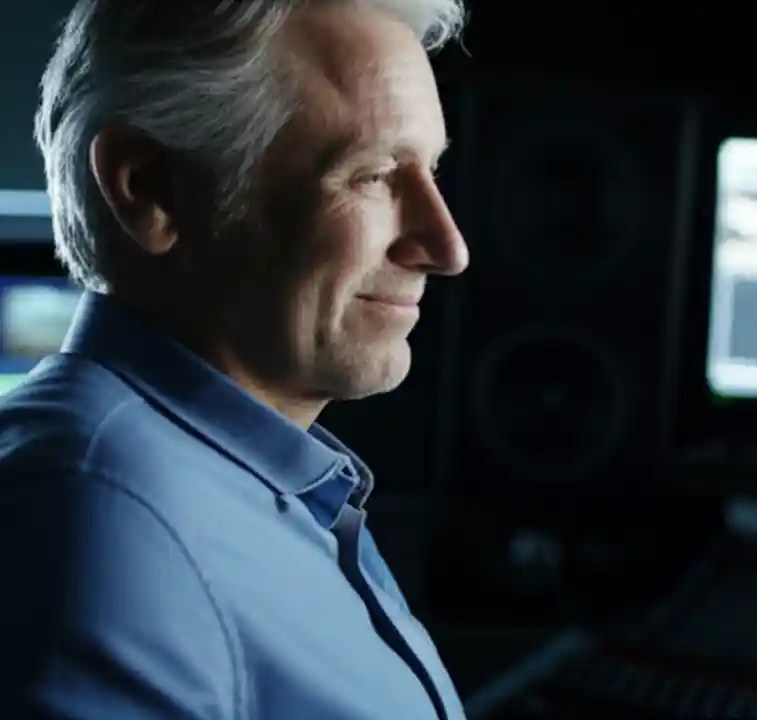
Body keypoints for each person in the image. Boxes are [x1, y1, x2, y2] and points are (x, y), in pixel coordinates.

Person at [0, 1, 471, 718]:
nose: (445, 247)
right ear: (148, 188)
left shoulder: (238, 490)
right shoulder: (107, 524)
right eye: (373, 175)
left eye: (430, 170)